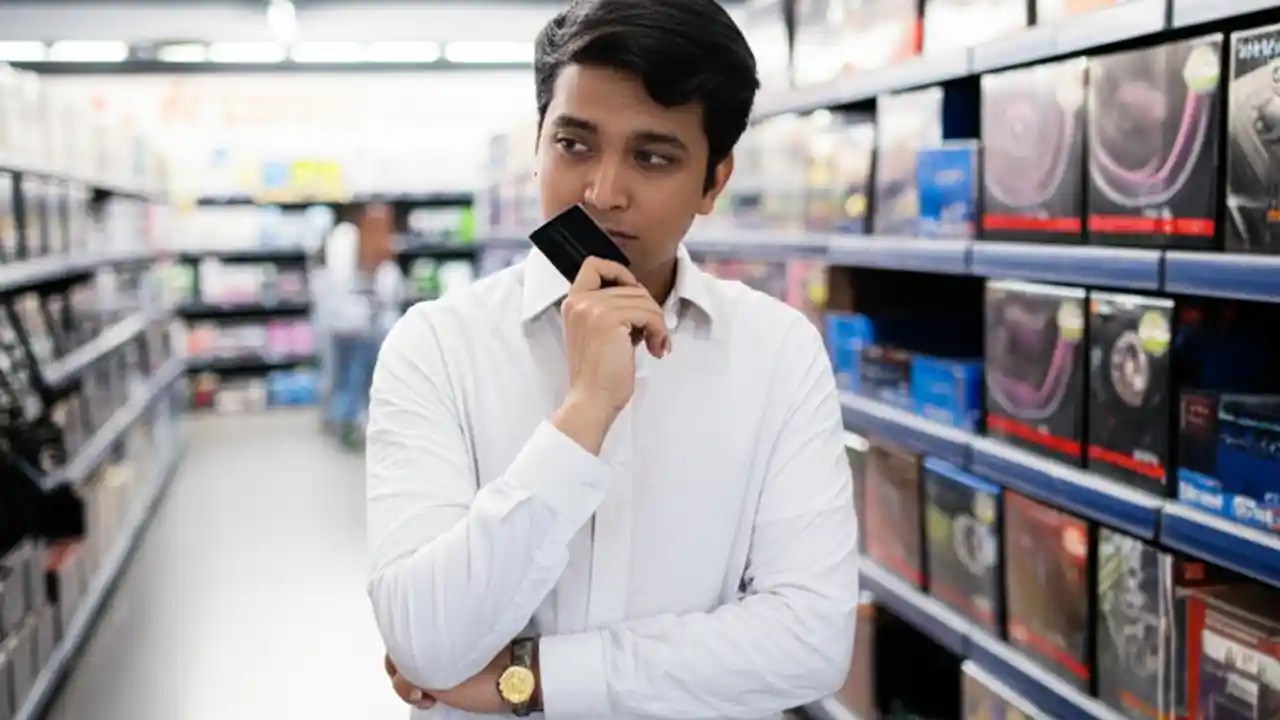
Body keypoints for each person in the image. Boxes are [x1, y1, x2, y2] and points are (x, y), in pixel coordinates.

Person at [365, 0, 860, 717]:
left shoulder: (777, 353)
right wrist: (584, 411)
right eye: (574, 145)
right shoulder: (437, 346)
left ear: (714, 181)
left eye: (652, 157)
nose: (602, 193)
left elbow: (809, 641)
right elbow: (426, 644)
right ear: (538, 143)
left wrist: (529, 679)